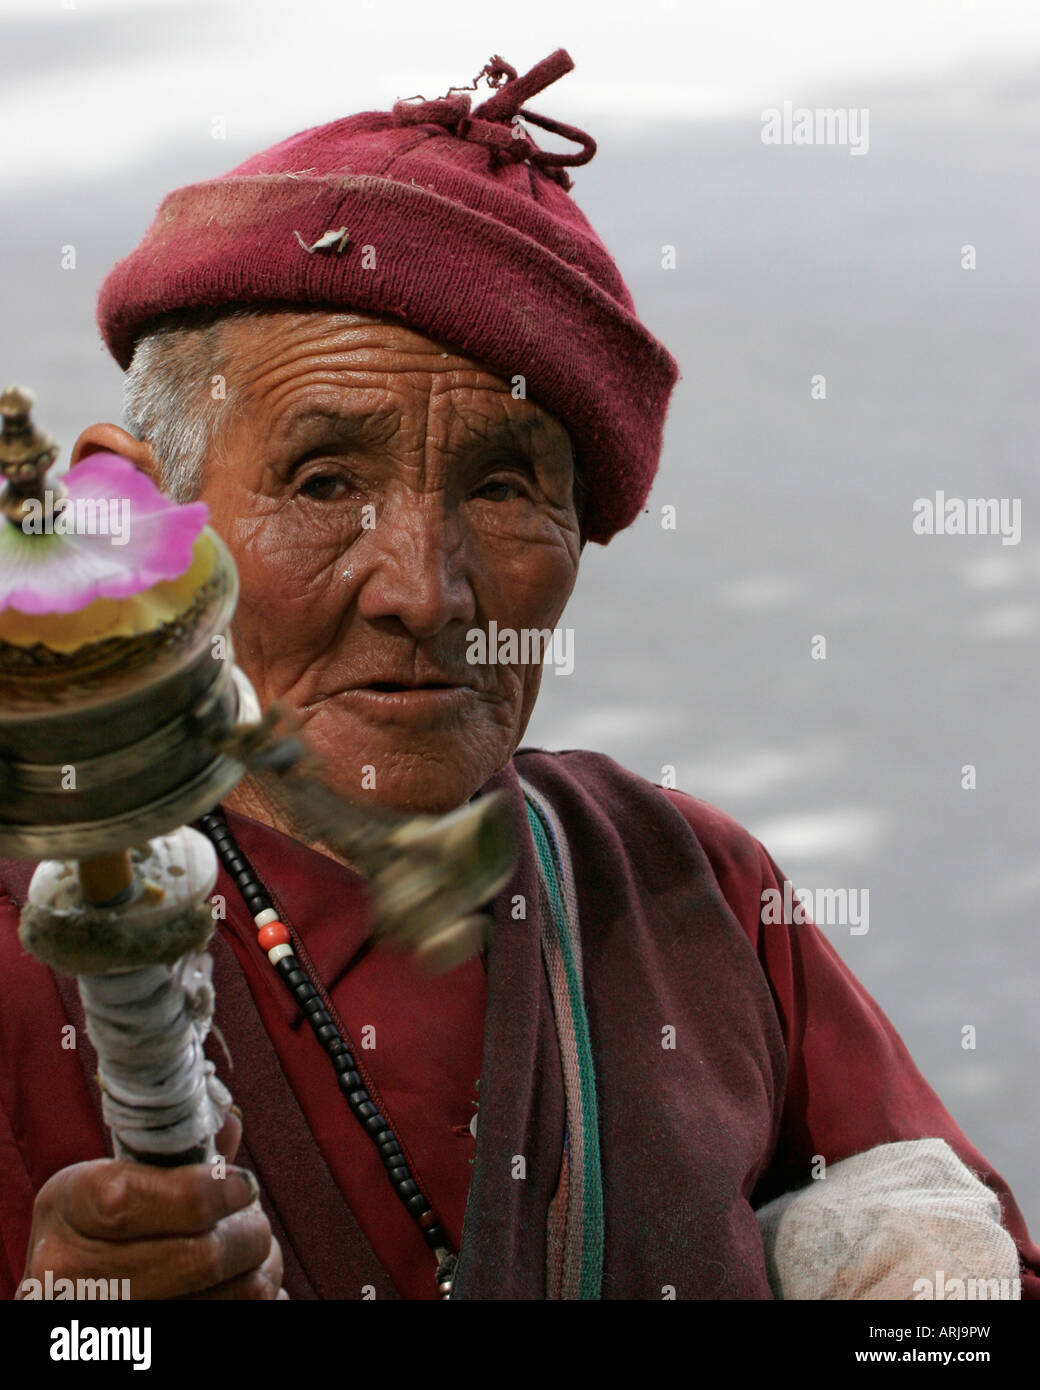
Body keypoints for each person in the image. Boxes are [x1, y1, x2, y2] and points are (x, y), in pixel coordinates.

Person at [1, 48, 1037, 1301]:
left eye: (502, 488)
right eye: (324, 480)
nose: (420, 592)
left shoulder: (682, 888)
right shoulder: (39, 933)